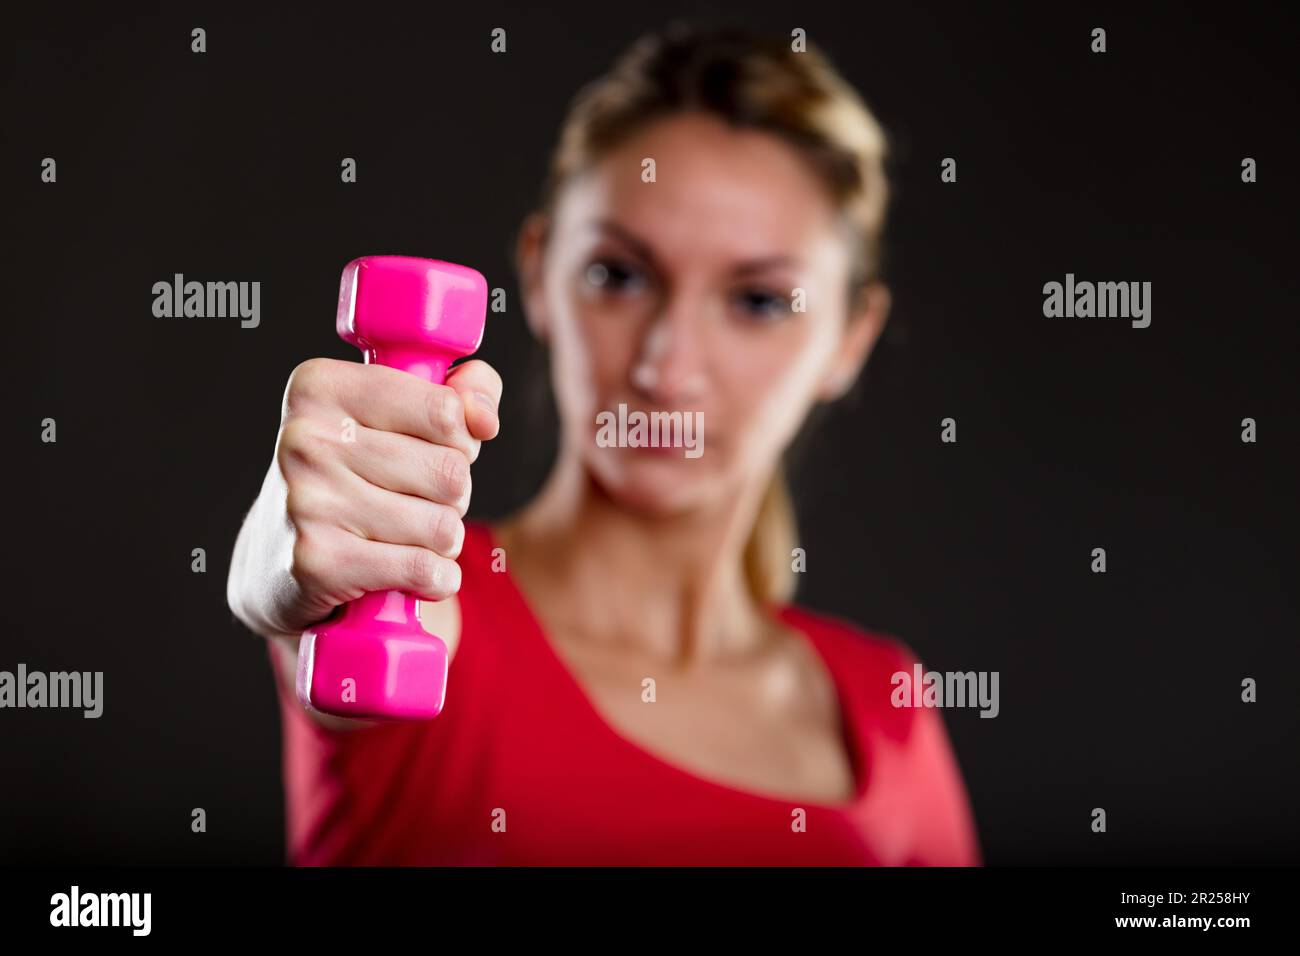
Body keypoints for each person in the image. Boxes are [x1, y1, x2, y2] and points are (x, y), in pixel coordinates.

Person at [226, 21, 981, 866]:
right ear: (541, 274)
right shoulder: (423, 605)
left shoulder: (886, 704)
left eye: (760, 301)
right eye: (618, 276)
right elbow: (307, 595)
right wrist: (281, 564)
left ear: (850, 337)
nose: (668, 367)